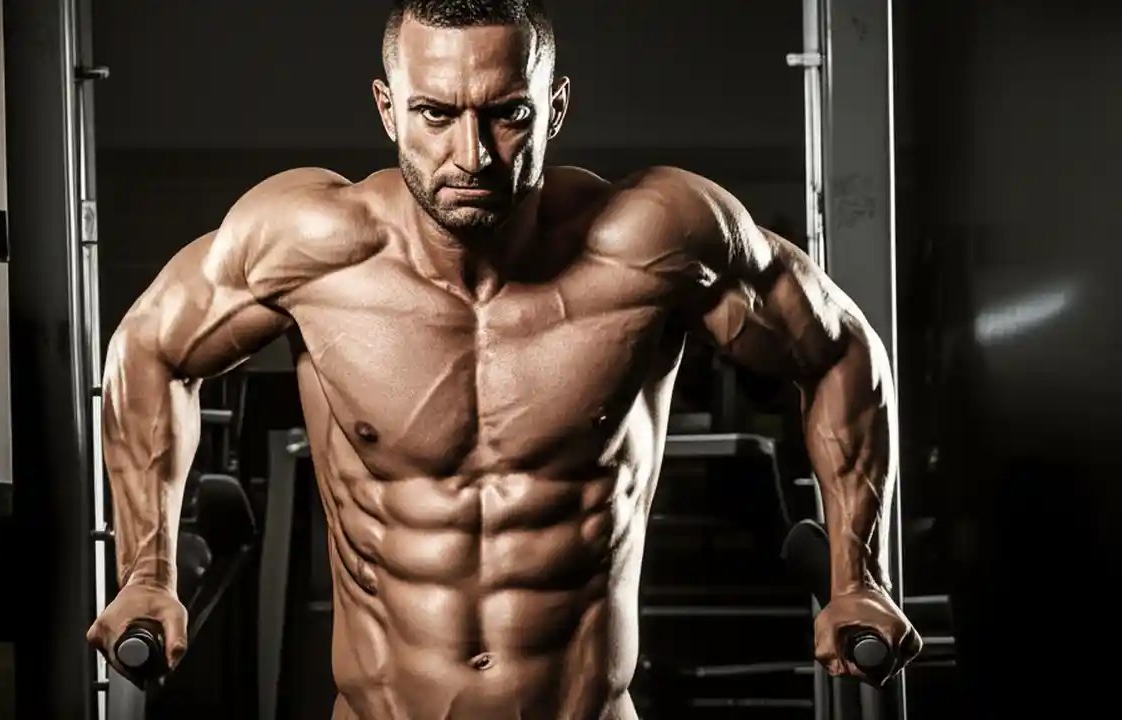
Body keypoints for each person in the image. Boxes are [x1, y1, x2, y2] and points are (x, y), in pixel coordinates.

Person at [86, 1, 922, 717]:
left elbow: (842, 350)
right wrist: (149, 570)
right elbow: (149, 348)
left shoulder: (654, 242)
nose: (472, 155)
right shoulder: (314, 248)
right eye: (436, 114)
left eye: (506, 113)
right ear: (387, 109)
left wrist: (860, 573)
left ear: (554, 109)